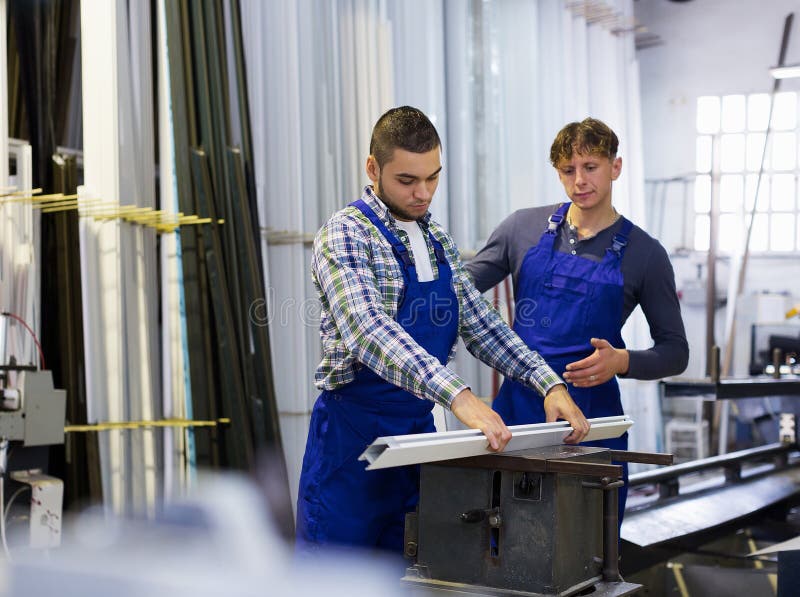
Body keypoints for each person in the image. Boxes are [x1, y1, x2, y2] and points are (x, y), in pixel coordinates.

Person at [295, 106, 590, 555]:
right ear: (373, 168)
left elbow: (481, 322)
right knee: (336, 579)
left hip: (415, 446)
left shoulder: (436, 240)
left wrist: (546, 381)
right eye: (407, 181)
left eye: (433, 178)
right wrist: (459, 395)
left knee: (413, 573)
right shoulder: (345, 234)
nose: (423, 193)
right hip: (351, 450)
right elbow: (368, 330)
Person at [466, 117, 689, 519]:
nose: (579, 181)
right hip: (517, 419)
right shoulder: (522, 228)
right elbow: (459, 291)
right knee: (501, 534)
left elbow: (676, 352)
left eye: (591, 168)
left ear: (615, 167)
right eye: (568, 171)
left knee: (586, 547)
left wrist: (623, 361)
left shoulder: (646, 254)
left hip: (591, 422)